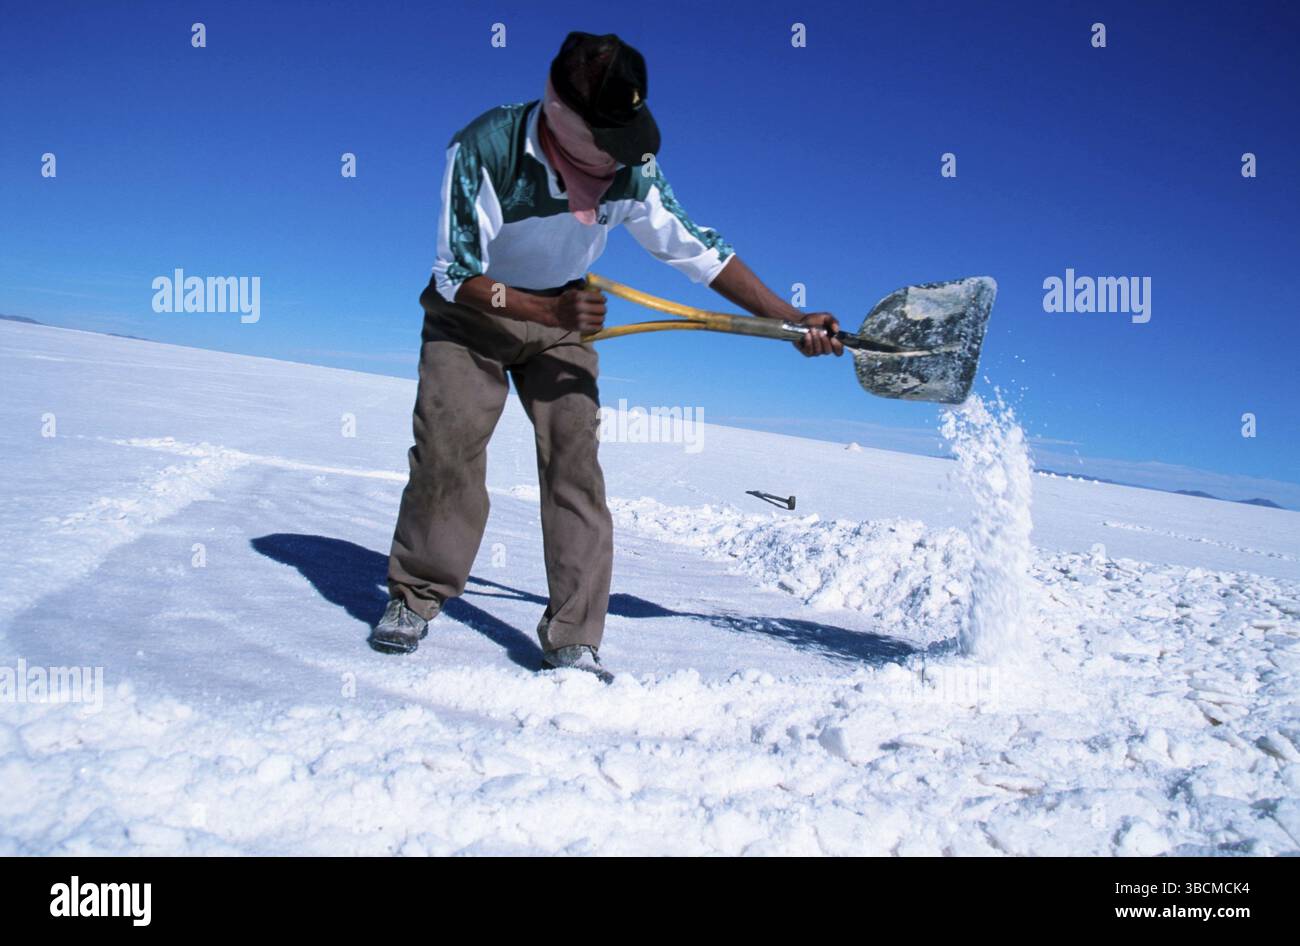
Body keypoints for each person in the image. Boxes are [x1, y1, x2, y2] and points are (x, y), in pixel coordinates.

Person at [372, 31, 842, 671]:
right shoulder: (485, 148)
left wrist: (790, 320)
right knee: (448, 451)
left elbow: (699, 250)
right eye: (608, 144)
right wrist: (541, 308)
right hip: (472, 319)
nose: (621, 162)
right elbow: (455, 273)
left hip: (567, 318)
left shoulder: (633, 169)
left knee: (575, 467)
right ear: (560, 116)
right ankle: (417, 595)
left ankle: (574, 636)